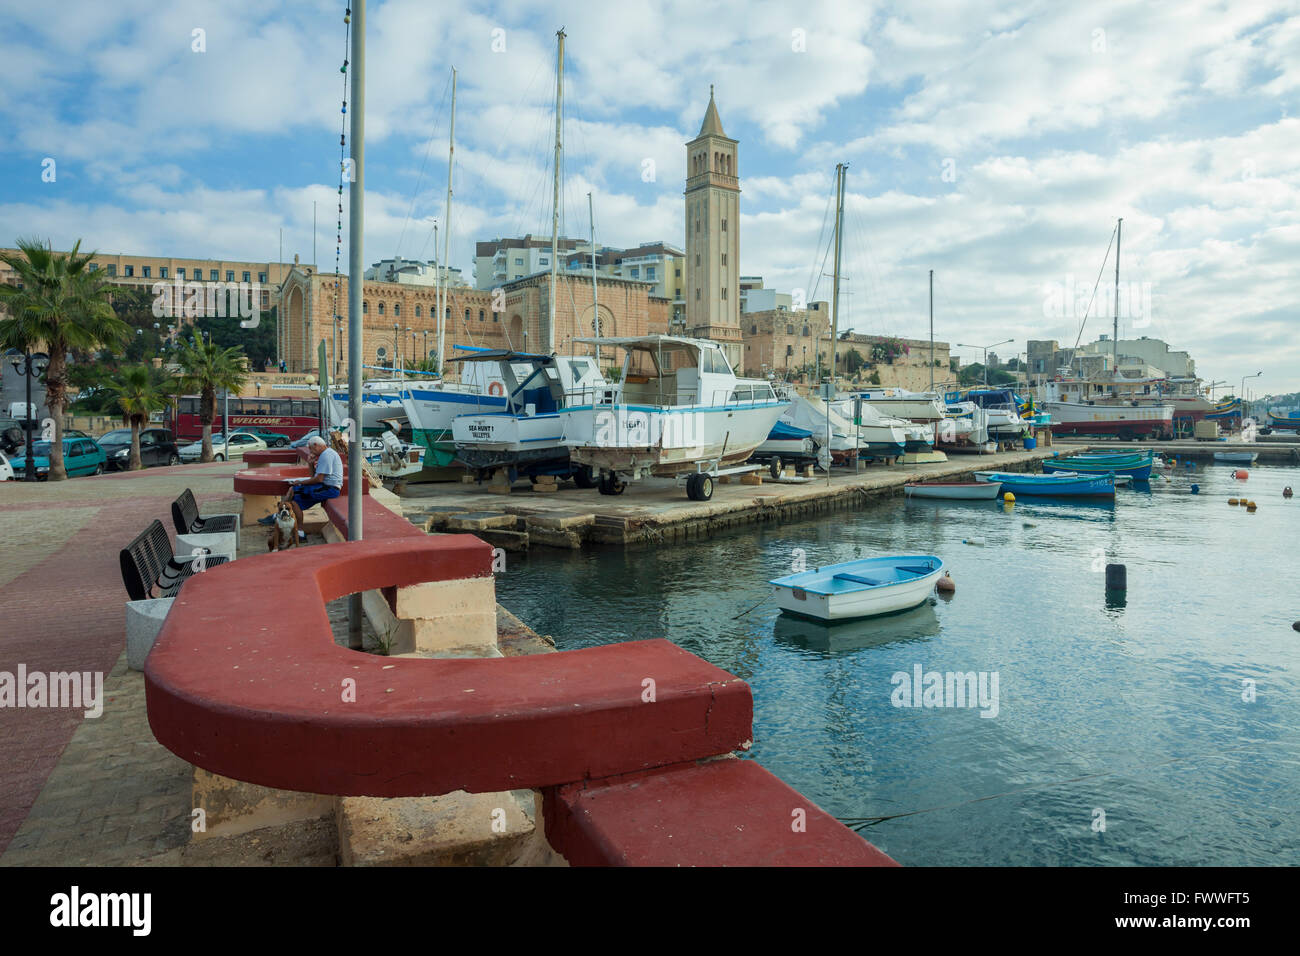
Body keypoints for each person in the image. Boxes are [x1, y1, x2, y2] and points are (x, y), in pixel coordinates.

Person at [258, 436, 343, 540]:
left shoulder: (326, 455)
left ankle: (294, 528)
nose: (311, 452)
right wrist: (310, 464)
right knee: (293, 492)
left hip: (330, 489)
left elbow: (319, 479)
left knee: (295, 499)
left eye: (311, 449)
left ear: (316, 445)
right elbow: (314, 477)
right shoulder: (325, 454)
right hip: (324, 487)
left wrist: (300, 482)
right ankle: (283, 520)